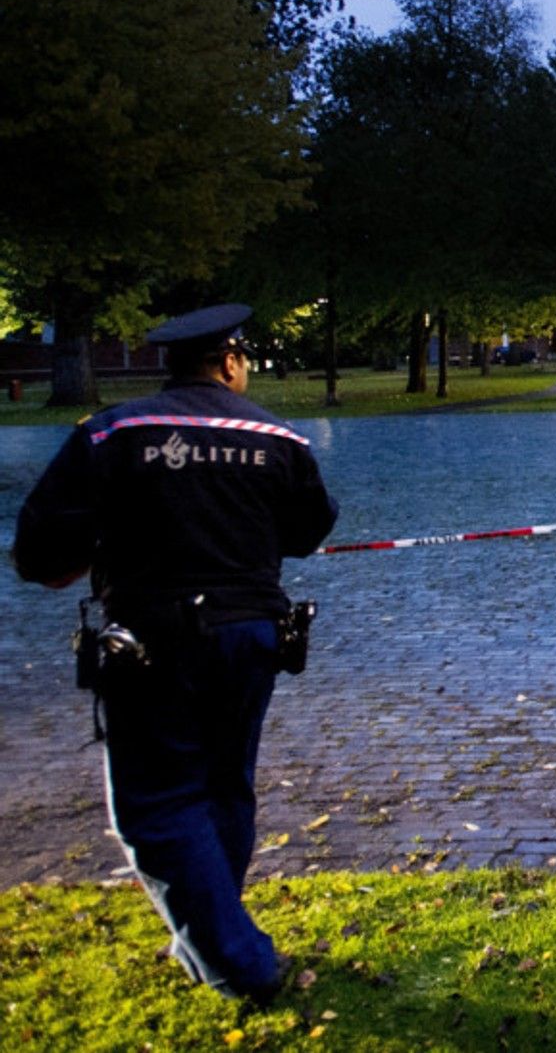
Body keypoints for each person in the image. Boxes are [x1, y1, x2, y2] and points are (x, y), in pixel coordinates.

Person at [9, 305, 338, 1004]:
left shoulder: (112, 433)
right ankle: (206, 939)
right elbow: (309, 529)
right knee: (225, 787)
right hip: (251, 635)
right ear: (228, 361)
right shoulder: (277, 437)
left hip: (151, 642)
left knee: (157, 804)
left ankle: (241, 961)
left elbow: (39, 549)